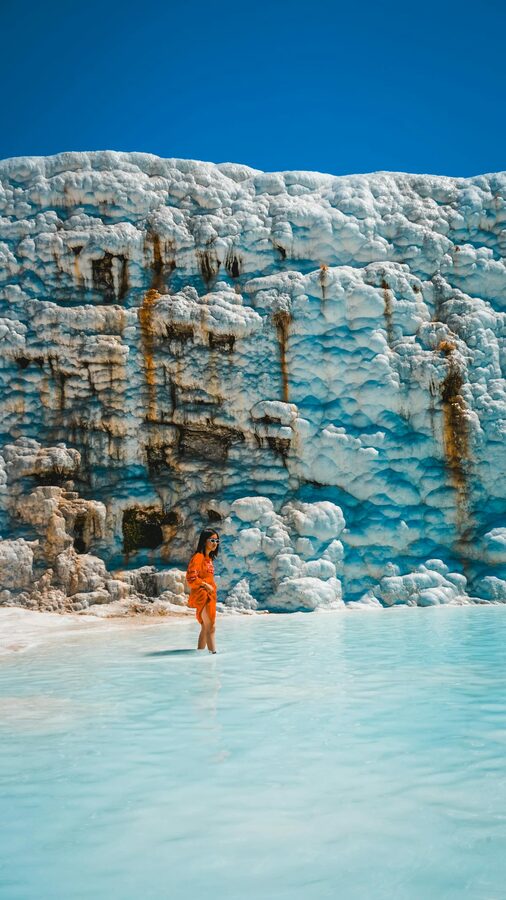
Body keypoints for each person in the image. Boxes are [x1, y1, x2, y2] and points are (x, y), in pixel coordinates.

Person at [185, 529, 219, 653]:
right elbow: (191, 578)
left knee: (205, 627)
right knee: (211, 627)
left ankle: (200, 655)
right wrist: (205, 585)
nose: (215, 543)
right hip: (203, 595)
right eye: (212, 540)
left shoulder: (209, 559)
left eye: (217, 540)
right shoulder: (198, 557)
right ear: (205, 541)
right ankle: (213, 655)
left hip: (210, 595)